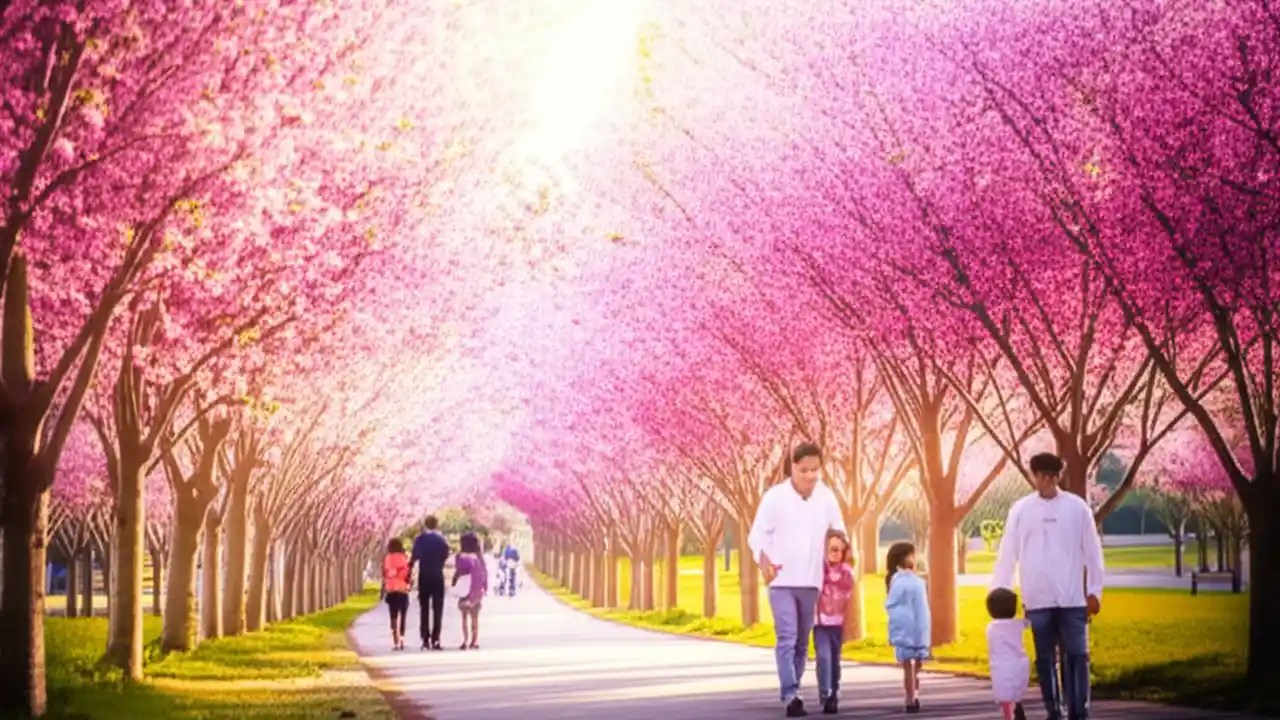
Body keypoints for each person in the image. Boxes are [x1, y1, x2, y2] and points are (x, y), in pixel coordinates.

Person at [991, 452, 1105, 720]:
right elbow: (1008, 553)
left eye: (1050, 476)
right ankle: (1055, 711)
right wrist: (1000, 592)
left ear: (1057, 477)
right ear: (1034, 476)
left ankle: (1079, 712)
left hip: (1072, 599)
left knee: (1077, 656)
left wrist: (1095, 591)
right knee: (1045, 660)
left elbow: (1093, 552)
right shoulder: (1020, 510)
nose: (1044, 481)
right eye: (1040, 476)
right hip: (1037, 598)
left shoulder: (1077, 508)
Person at [748, 442, 846, 718]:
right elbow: (756, 535)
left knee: (802, 642)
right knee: (787, 637)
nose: (810, 476)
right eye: (805, 470)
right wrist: (764, 559)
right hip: (781, 581)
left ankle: (796, 690)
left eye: (815, 470)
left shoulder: (826, 497)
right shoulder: (775, 497)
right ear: (793, 467)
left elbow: (838, 529)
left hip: (812, 581)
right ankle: (790, 694)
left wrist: (839, 545)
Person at [885, 541, 929, 715]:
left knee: (916, 666)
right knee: (909, 665)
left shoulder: (918, 580)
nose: (914, 558)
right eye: (911, 555)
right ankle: (910, 698)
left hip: (919, 627)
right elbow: (893, 605)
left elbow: (923, 606)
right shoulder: (899, 581)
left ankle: (914, 695)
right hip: (906, 628)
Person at [813, 529, 854, 715]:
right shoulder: (817, 570)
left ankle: (834, 694)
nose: (836, 554)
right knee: (823, 657)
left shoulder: (846, 572)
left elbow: (847, 594)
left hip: (837, 623)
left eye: (839, 550)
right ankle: (825, 692)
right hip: (819, 623)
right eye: (832, 550)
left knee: (834, 659)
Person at [986, 588, 1030, 720]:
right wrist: (1025, 611)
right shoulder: (1017, 624)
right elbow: (1028, 623)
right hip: (1019, 664)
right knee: (1015, 695)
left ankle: (1010, 716)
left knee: (1005, 699)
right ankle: (1017, 711)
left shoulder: (991, 627)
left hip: (1001, 667)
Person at [410, 515, 451, 650]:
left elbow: (415, 556)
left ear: (425, 525)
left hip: (424, 575)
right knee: (438, 608)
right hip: (437, 575)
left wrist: (410, 567)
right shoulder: (442, 540)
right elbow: (446, 554)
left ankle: (425, 638)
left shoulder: (420, 539)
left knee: (424, 608)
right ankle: (436, 638)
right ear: (437, 525)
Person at [452, 531, 489, 650]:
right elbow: (484, 574)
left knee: (464, 617)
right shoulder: (478, 558)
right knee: (475, 618)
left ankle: (465, 640)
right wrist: (484, 587)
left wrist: (455, 583)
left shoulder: (459, 557)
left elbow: (458, 572)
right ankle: (474, 641)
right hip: (476, 591)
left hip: (464, 590)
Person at [381, 538, 411, 651]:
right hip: (402, 589)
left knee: (393, 616)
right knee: (403, 615)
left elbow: (385, 573)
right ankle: (402, 638)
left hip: (391, 589)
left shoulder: (387, 558)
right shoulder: (404, 558)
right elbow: (407, 574)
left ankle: (395, 641)